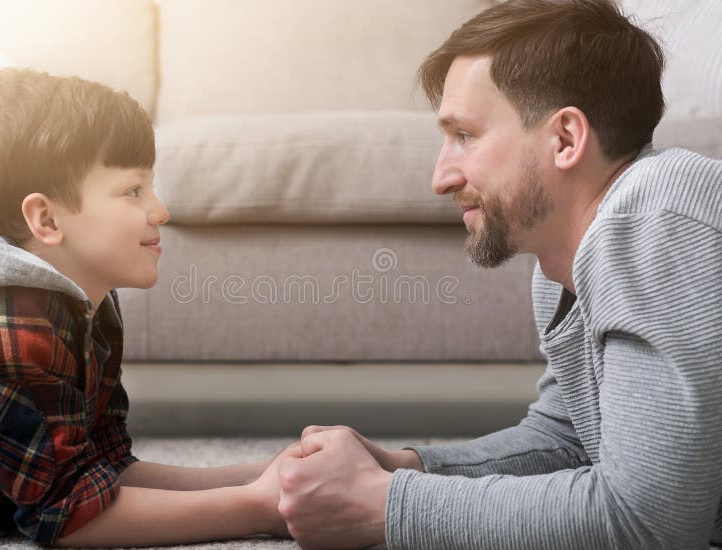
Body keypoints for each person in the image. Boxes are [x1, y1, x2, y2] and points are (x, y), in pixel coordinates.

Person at [275, 0, 722, 548]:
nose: (441, 177)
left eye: (464, 135)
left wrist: (384, 504)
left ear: (565, 139)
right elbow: (569, 441)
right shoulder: (564, 264)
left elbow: (649, 523)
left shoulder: (652, 220)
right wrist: (401, 469)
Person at [0, 68, 292, 546]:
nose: (161, 211)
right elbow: (71, 515)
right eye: (134, 190)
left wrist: (255, 476)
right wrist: (260, 507)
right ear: (47, 219)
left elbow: (105, 470)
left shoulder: (83, 302)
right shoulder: (2, 319)